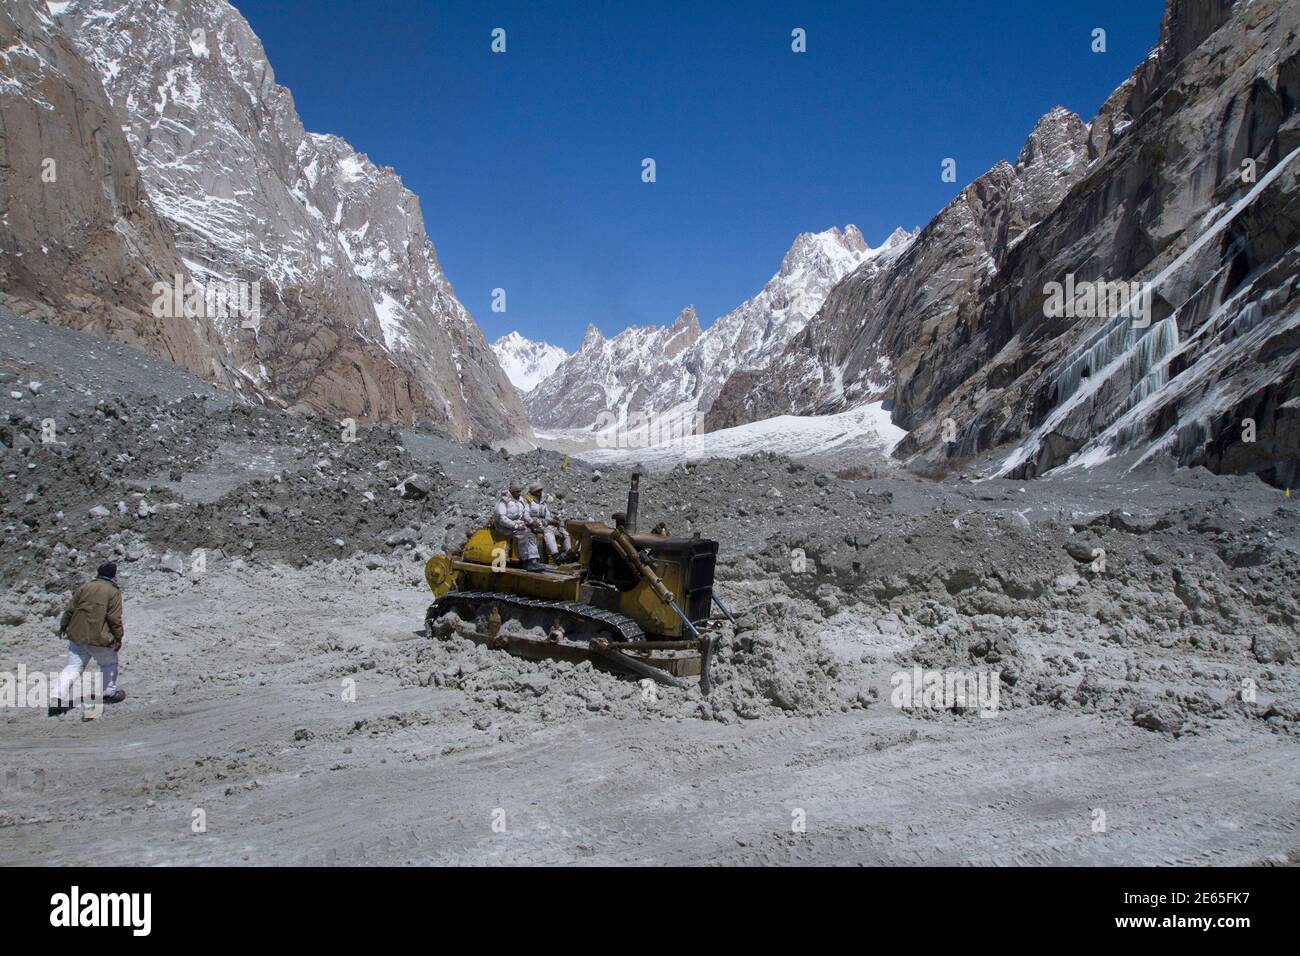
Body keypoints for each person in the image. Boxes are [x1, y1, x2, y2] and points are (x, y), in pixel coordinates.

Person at [51, 562, 126, 714]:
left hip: (76, 635)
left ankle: (56, 696)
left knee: (73, 667)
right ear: (113, 576)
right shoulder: (113, 592)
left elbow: (70, 609)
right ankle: (108, 693)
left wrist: (63, 626)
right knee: (108, 664)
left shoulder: (85, 586)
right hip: (99, 638)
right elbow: (114, 618)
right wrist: (118, 637)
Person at [493, 480, 544, 571]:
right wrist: (516, 526)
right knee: (522, 534)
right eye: (518, 491)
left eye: (520, 491)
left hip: (516, 523)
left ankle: (533, 559)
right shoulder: (504, 501)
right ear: (512, 491)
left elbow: (525, 514)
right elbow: (501, 518)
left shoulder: (521, 500)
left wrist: (531, 521)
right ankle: (525, 560)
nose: (520, 493)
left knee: (531, 534)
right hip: (504, 526)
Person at [527, 481, 572, 562]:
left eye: (540, 490)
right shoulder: (528, 502)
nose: (540, 492)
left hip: (544, 524)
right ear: (533, 492)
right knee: (548, 532)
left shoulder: (542, 502)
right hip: (534, 526)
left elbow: (547, 515)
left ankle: (568, 552)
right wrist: (547, 522)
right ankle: (555, 555)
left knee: (564, 533)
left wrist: (553, 520)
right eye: (538, 490)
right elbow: (529, 518)